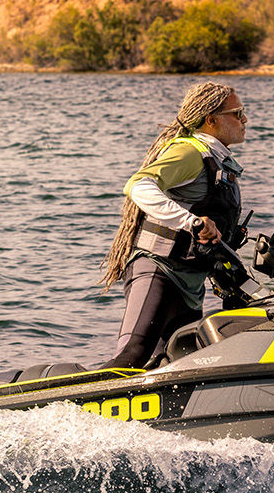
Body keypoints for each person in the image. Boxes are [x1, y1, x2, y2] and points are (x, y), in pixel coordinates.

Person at [99, 82, 250, 369]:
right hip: (158, 270)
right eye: (238, 113)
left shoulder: (219, 161)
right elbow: (138, 185)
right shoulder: (190, 152)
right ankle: (64, 409)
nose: (245, 120)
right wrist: (191, 222)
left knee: (176, 366)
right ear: (212, 120)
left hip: (189, 284)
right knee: (132, 355)